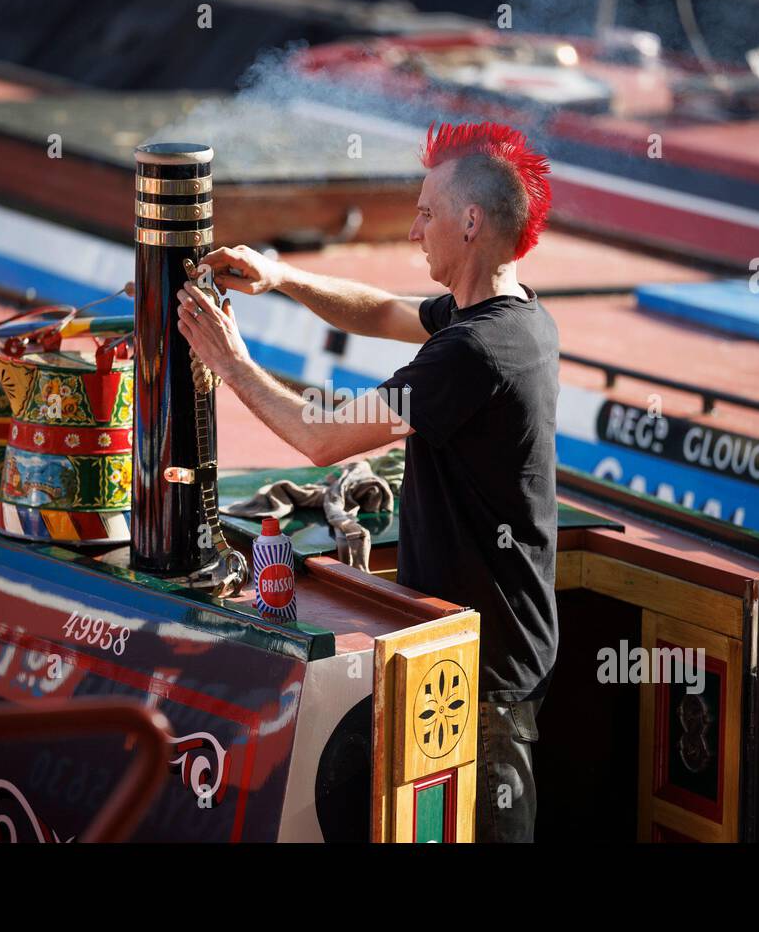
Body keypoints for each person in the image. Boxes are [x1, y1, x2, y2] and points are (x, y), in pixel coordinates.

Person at [175, 121, 559, 842]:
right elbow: (382, 311)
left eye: (426, 213)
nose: (415, 231)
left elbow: (321, 437)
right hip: (476, 651)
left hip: (484, 677)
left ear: (470, 222)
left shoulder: (473, 354)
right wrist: (281, 276)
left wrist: (227, 360)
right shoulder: (512, 315)